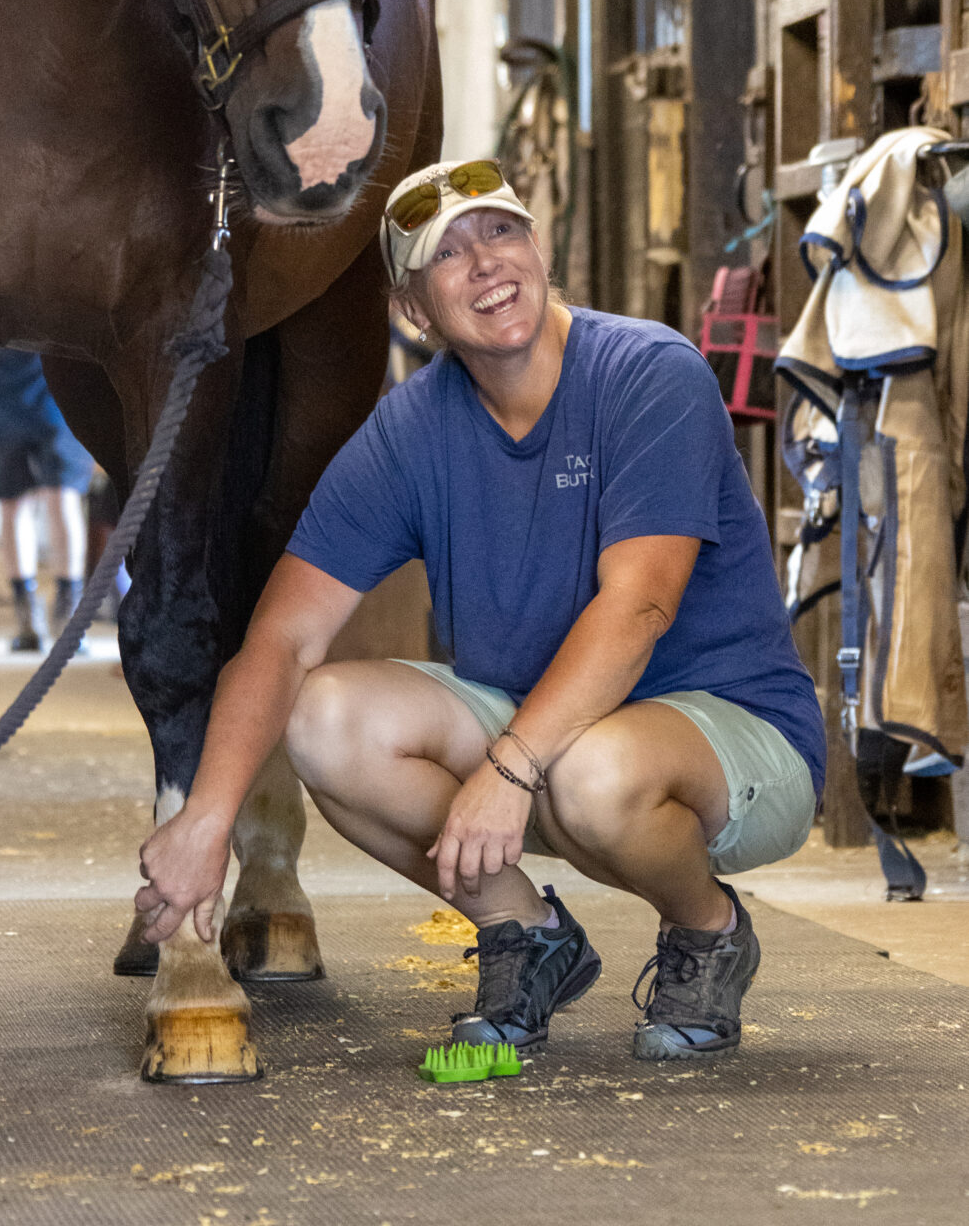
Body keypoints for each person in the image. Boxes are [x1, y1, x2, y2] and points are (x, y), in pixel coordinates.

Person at [135, 159, 826, 1062]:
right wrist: (206, 822)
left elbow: (639, 605)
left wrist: (508, 767)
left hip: (727, 734)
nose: (486, 263)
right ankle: (525, 933)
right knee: (322, 717)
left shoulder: (648, 372)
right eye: (447, 255)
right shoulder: (409, 432)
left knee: (594, 773)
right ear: (413, 311)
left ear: (538, 249)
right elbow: (282, 638)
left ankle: (708, 931)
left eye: (500, 232)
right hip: (547, 735)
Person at [0, 350, 94, 652]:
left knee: (17, 507)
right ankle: (64, 621)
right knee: (59, 500)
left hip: (3, 392)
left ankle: (30, 624)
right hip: (47, 390)